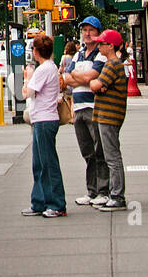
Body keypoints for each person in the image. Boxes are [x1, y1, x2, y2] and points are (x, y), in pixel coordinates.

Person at [60, 16, 109, 208]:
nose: (87, 34)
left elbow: (93, 75)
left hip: (94, 107)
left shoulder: (101, 54)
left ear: (98, 33)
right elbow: (67, 78)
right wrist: (83, 78)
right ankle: (92, 191)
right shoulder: (79, 53)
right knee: (87, 152)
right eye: (84, 30)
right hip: (78, 108)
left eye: (91, 30)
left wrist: (78, 77)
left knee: (100, 151)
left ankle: (103, 191)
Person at [21, 34, 66, 218]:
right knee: (39, 163)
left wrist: (27, 78)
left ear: (36, 51)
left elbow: (27, 93)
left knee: (47, 164)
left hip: (44, 120)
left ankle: (56, 203)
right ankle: (40, 201)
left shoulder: (42, 70)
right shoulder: (51, 67)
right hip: (43, 118)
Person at [89, 29, 129, 211]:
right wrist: (97, 85)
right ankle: (114, 193)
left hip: (109, 115)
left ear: (110, 46)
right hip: (107, 114)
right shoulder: (112, 64)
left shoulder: (112, 64)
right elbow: (97, 85)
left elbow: (96, 84)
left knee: (112, 156)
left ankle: (117, 195)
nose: (99, 46)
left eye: (102, 43)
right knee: (109, 155)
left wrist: (96, 85)